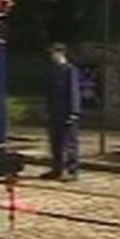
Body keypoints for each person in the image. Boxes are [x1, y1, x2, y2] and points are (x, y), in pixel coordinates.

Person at [41, 42, 80, 181]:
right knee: (55, 142)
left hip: (66, 111)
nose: (51, 56)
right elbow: (49, 93)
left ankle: (71, 170)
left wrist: (74, 112)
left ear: (61, 53)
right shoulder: (53, 70)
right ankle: (57, 168)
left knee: (69, 142)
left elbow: (73, 91)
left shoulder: (70, 70)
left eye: (53, 53)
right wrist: (47, 110)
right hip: (54, 111)